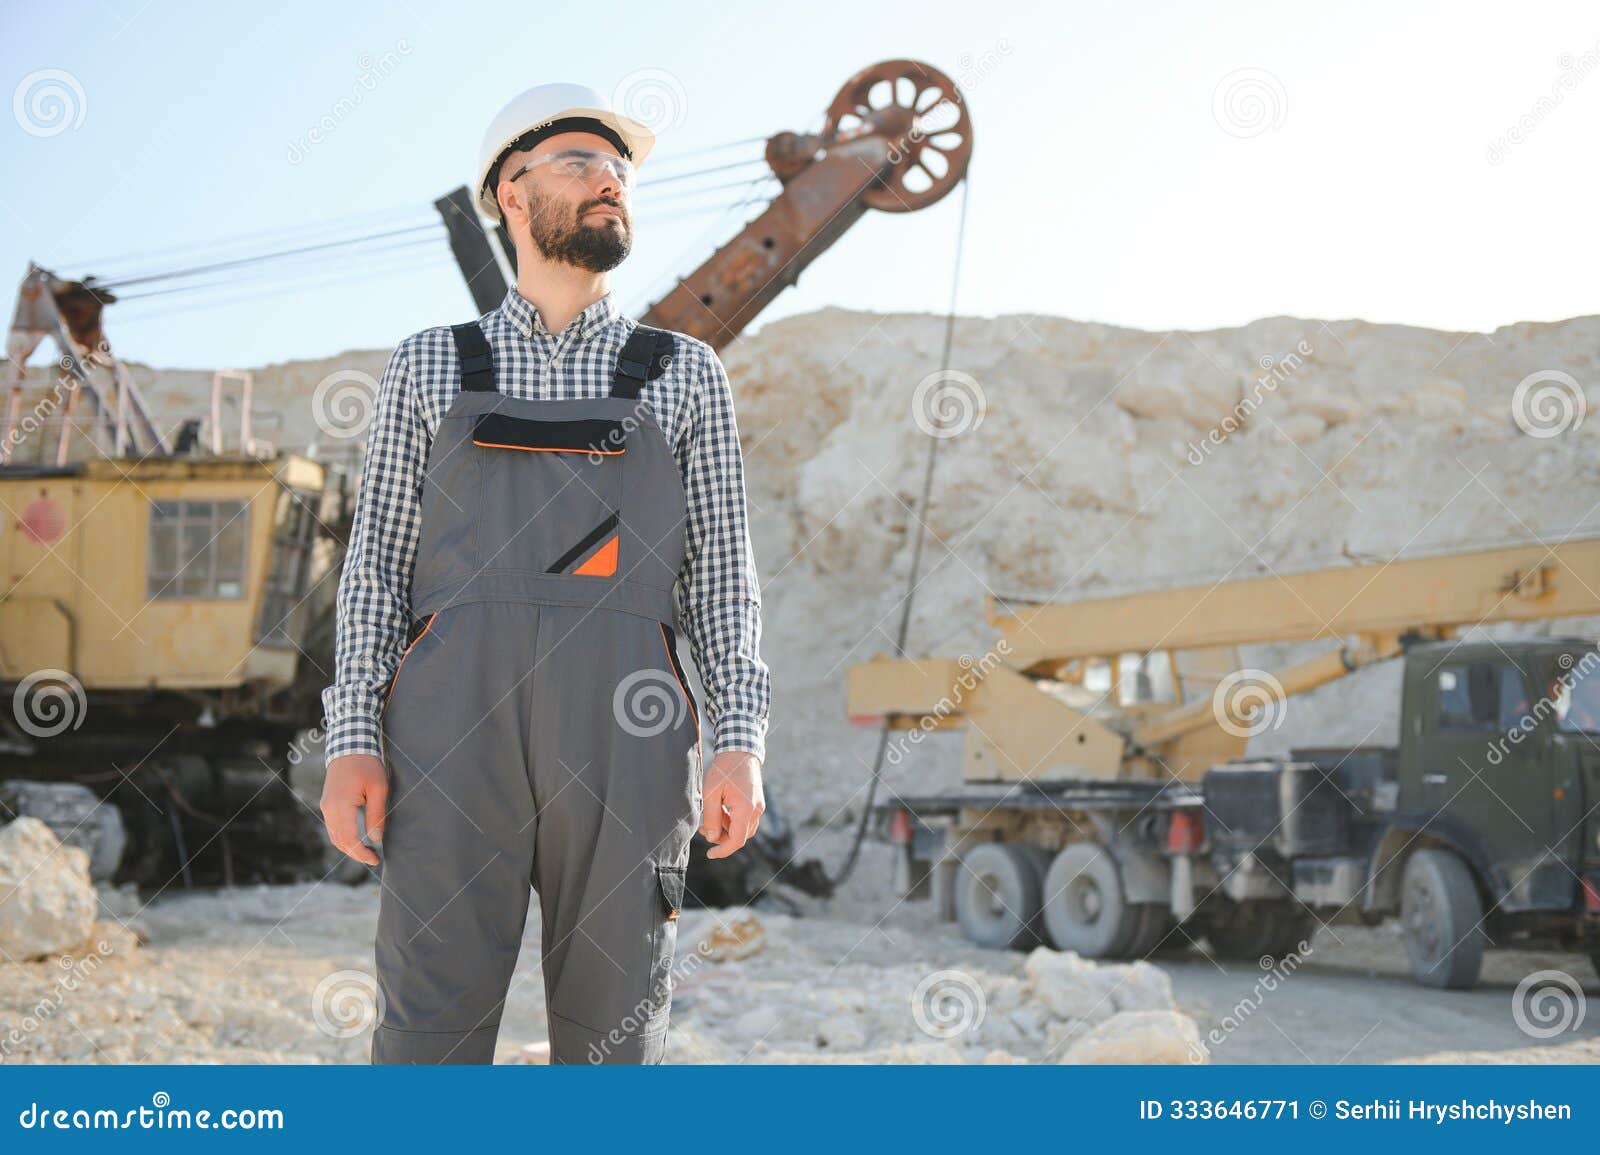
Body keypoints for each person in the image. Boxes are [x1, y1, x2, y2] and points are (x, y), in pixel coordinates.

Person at [318, 82, 771, 1065]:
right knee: (426, 1038)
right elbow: (377, 570)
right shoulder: (429, 368)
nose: (609, 180)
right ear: (510, 197)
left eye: (620, 170)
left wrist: (739, 740)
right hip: (445, 743)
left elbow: (722, 579)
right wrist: (351, 736)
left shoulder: (685, 374)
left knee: (617, 1045)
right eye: (580, 161)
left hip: (629, 737)